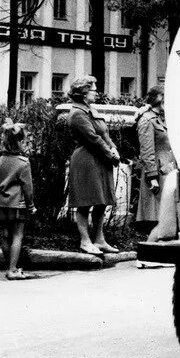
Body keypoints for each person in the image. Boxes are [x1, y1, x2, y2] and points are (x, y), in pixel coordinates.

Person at [65, 75, 121, 254]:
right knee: (85, 202)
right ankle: (85, 241)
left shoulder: (91, 109)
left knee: (101, 201)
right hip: (86, 160)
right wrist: (110, 155)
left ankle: (99, 239)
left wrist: (113, 148)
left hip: (100, 159)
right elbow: (92, 139)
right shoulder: (77, 113)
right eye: (93, 90)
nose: (96, 93)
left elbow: (104, 134)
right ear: (83, 92)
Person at [134, 86, 175, 265]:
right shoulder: (147, 120)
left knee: (165, 217)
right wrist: (152, 177)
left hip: (167, 172)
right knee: (160, 218)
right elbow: (147, 152)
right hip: (157, 175)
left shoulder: (160, 118)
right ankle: (146, 257)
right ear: (158, 100)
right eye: (164, 99)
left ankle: (154, 255)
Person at [0, 122, 36, 280]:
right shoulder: (23, 163)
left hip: (0, 203)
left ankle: (8, 266)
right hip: (17, 203)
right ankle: (13, 269)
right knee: (17, 235)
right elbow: (28, 188)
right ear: (20, 142)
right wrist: (31, 205)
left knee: (5, 235)